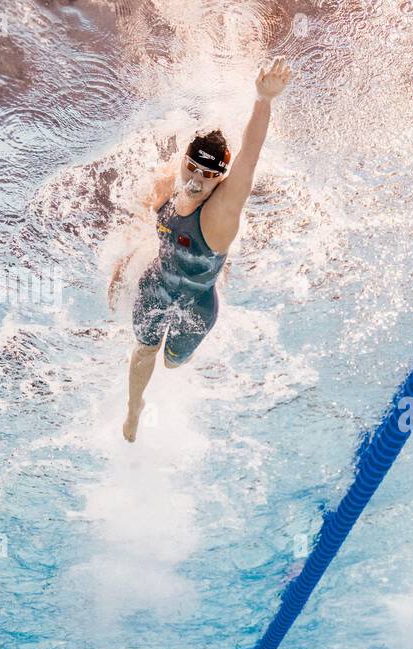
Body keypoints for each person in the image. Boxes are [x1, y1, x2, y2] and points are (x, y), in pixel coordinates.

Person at [110, 57, 294, 442]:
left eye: (209, 175)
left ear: (220, 179)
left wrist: (263, 100)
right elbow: (145, 226)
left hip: (196, 306)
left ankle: (183, 349)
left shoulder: (220, 214)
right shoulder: (165, 184)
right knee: (144, 349)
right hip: (156, 284)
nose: (197, 179)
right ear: (184, 161)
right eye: (192, 167)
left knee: (173, 362)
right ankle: (134, 409)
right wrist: (124, 263)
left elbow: (249, 157)